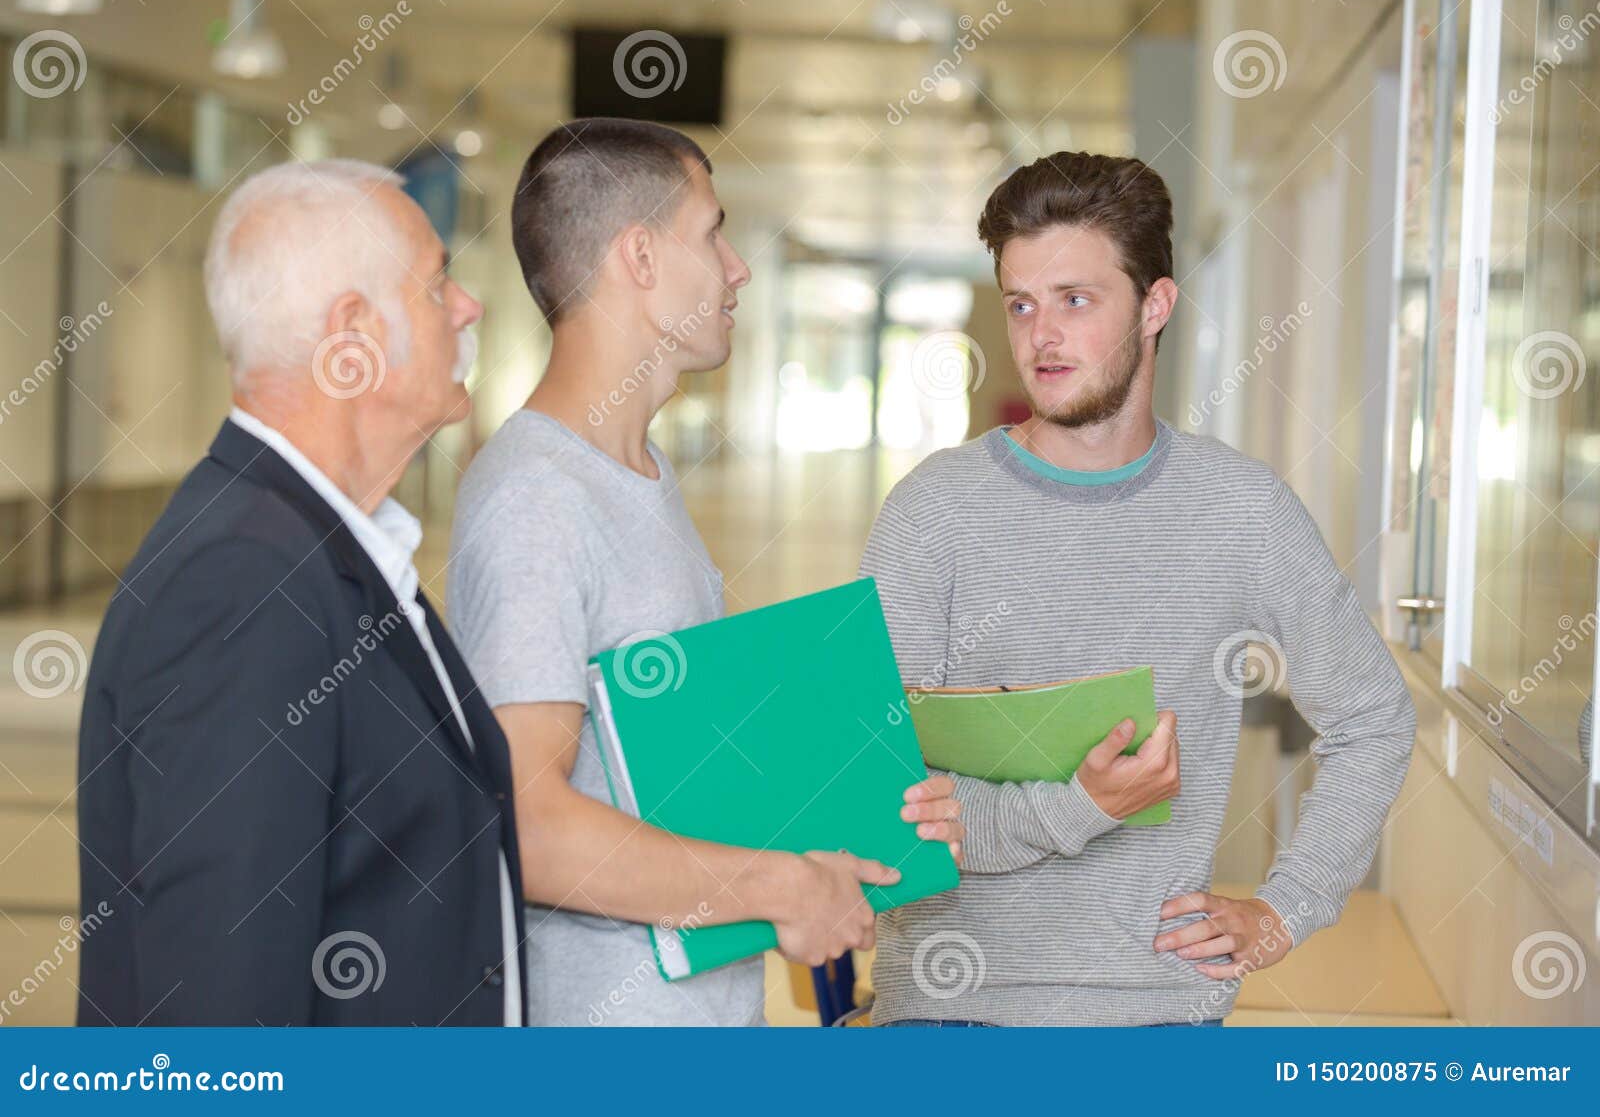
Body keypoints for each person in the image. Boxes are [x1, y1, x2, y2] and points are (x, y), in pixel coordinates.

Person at [861, 151, 1416, 1027]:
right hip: (947, 1007)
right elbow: (888, 798)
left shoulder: (1245, 511)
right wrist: (1077, 808)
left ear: (1155, 305)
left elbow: (1374, 716)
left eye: (1076, 300)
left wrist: (1286, 909)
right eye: (1021, 304)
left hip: (1156, 1013)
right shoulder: (933, 511)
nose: (1042, 336)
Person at [447, 118, 965, 1026]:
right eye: (712, 231)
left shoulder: (637, 474)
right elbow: (526, 823)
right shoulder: (536, 495)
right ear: (640, 257)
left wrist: (837, 835)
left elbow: (658, 769)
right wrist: (780, 885)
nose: (737, 267)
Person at [76, 160, 524, 1026]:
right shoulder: (243, 586)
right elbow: (218, 1009)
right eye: (437, 285)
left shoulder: (322, 548)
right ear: (352, 335)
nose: (468, 306)